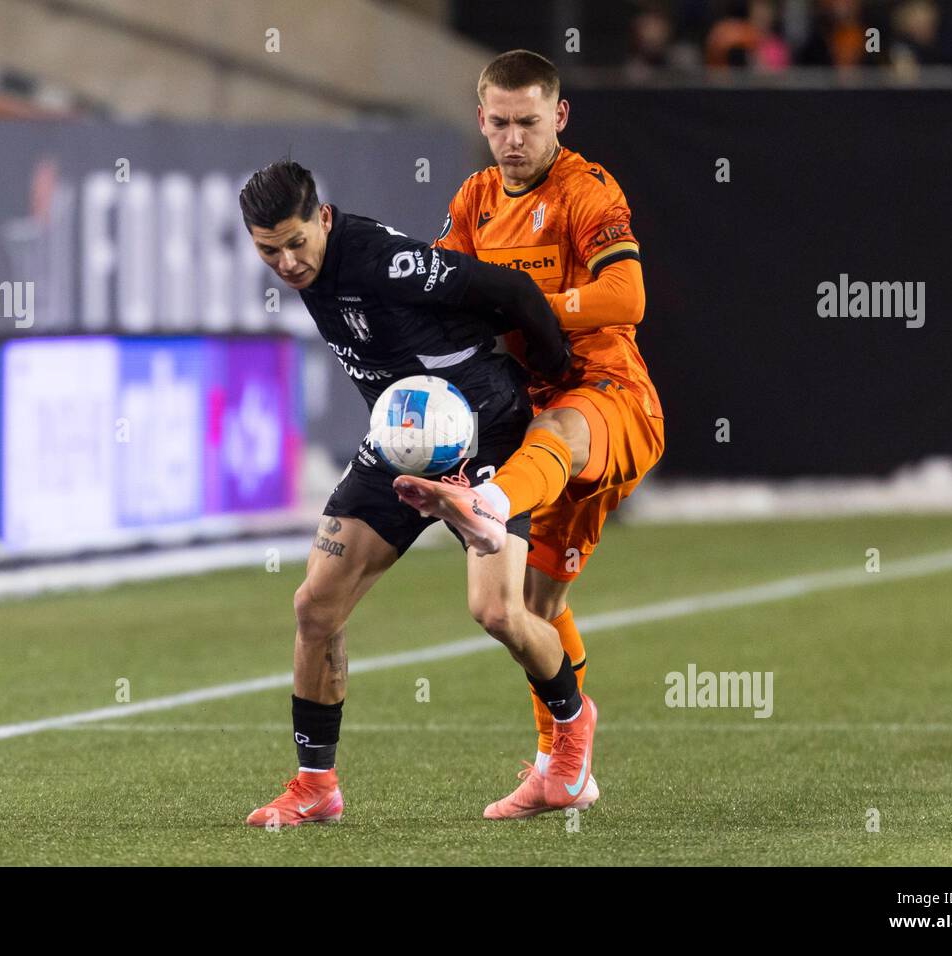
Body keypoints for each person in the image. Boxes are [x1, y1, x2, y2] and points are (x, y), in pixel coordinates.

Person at [238, 160, 602, 827]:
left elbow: (515, 293)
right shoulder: (308, 269)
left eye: (296, 243)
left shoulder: (383, 262)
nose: (287, 263)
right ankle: (316, 785)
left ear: (323, 218)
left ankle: (573, 729)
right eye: (269, 251)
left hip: (485, 436)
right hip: (400, 442)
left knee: (498, 611)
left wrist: (556, 379)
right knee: (316, 606)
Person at [394, 50, 665, 819]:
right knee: (526, 613)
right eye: (501, 123)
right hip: (528, 419)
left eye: (530, 122)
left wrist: (528, 302)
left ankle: (488, 502)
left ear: (560, 118)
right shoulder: (475, 199)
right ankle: (563, 765)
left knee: (554, 433)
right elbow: (442, 299)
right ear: (481, 120)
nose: (514, 139)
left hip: (610, 399)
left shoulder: (586, 188)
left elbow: (627, 293)